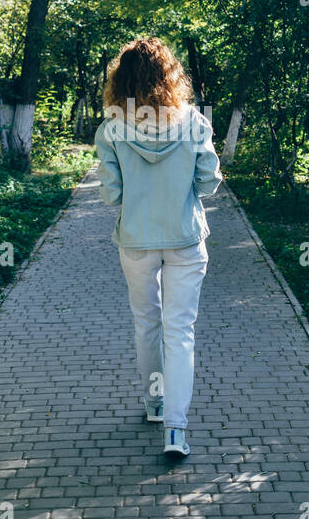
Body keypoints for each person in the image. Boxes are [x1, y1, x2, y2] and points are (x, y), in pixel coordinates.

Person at [93, 37, 223, 459]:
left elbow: (111, 196)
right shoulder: (194, 122)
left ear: (122, 79)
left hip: (136, 240)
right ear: (170, 77)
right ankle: (176, 430)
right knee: (180, 332)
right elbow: (208, 182)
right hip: (185, 237)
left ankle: (155, 404)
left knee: (146, 323)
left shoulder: (111, 128)